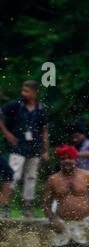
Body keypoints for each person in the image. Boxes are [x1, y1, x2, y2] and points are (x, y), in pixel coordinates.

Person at [2, 80, 50, 214]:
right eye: (22, 90)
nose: (23, 93)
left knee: (31, 177)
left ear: (35, 93)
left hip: (35, 147)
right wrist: (7, 134)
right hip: (18, 145)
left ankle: (27, 206)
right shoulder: (16, 105)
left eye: (27, 91)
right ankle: (5, 205)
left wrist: (45, 150)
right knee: (13, 175)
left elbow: (44, 130)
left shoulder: (41, 108)